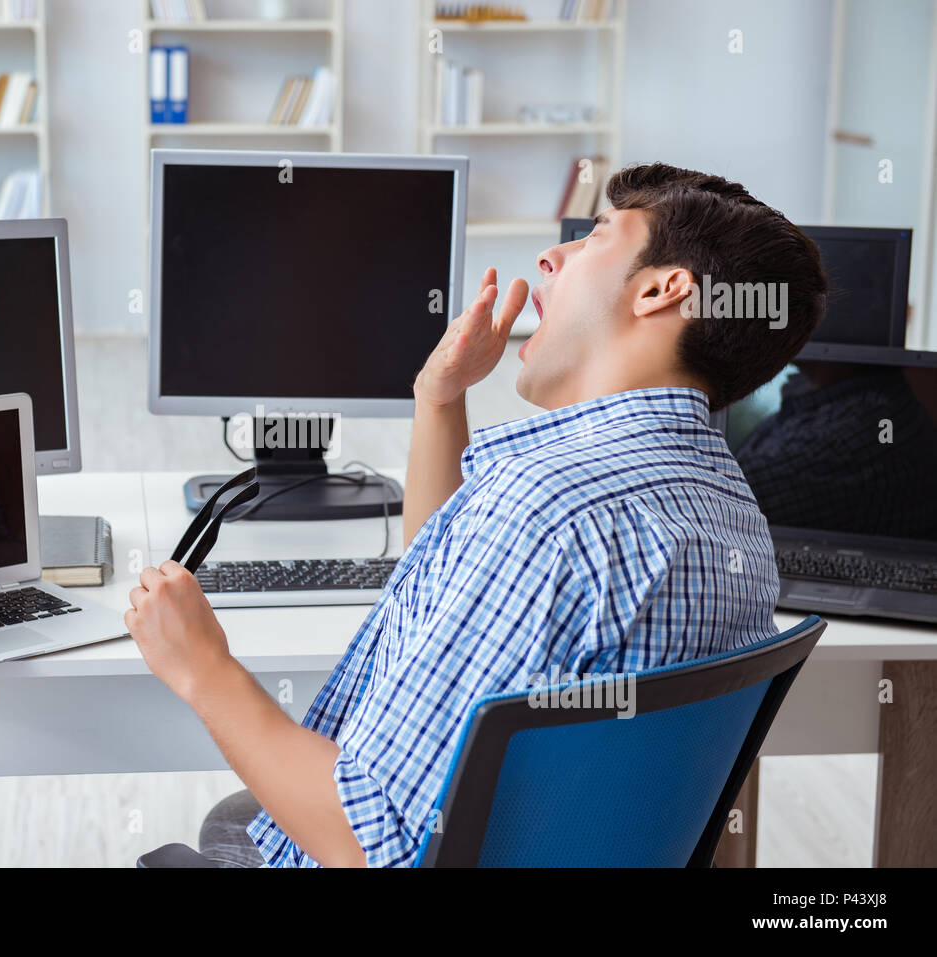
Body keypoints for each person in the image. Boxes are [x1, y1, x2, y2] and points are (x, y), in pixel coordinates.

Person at [124, 163, 829, 867]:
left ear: (659, 289)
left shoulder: (544, 512)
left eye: (595, 237)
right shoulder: (733, 512)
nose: (552, 255)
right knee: (240, 817)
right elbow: (447, 573)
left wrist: (203, 669)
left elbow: (373, 847)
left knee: (235, 822)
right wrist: (441, 398)